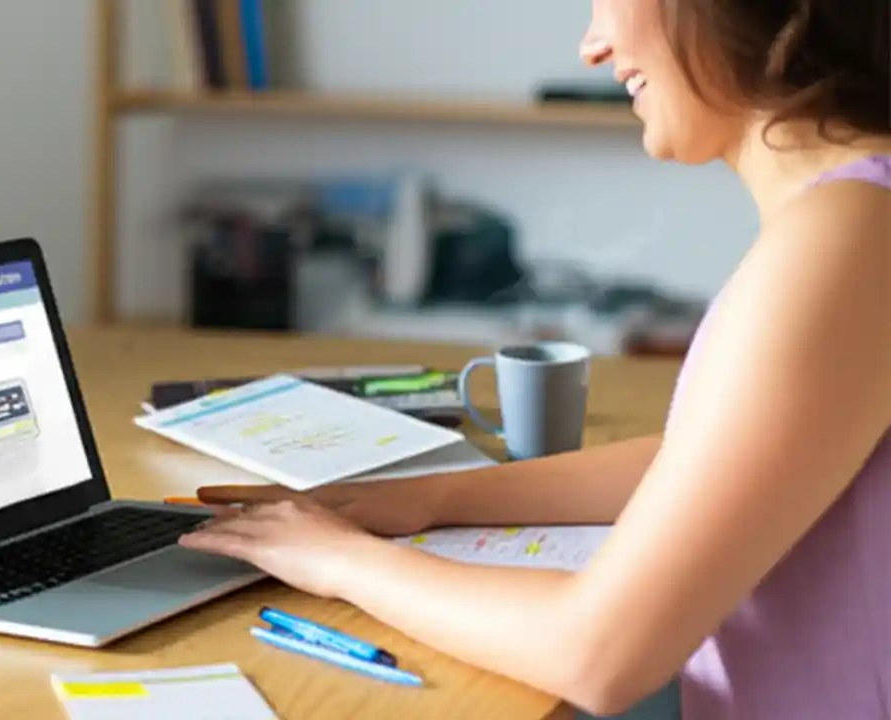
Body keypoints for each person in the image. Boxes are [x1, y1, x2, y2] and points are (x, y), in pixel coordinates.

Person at [178, 1, 891, 717]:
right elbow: (717, 463)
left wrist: (340, 561)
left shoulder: (845, 245)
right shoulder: (854, 219)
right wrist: (432, 499)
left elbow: (598, 655)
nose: (592, 46)